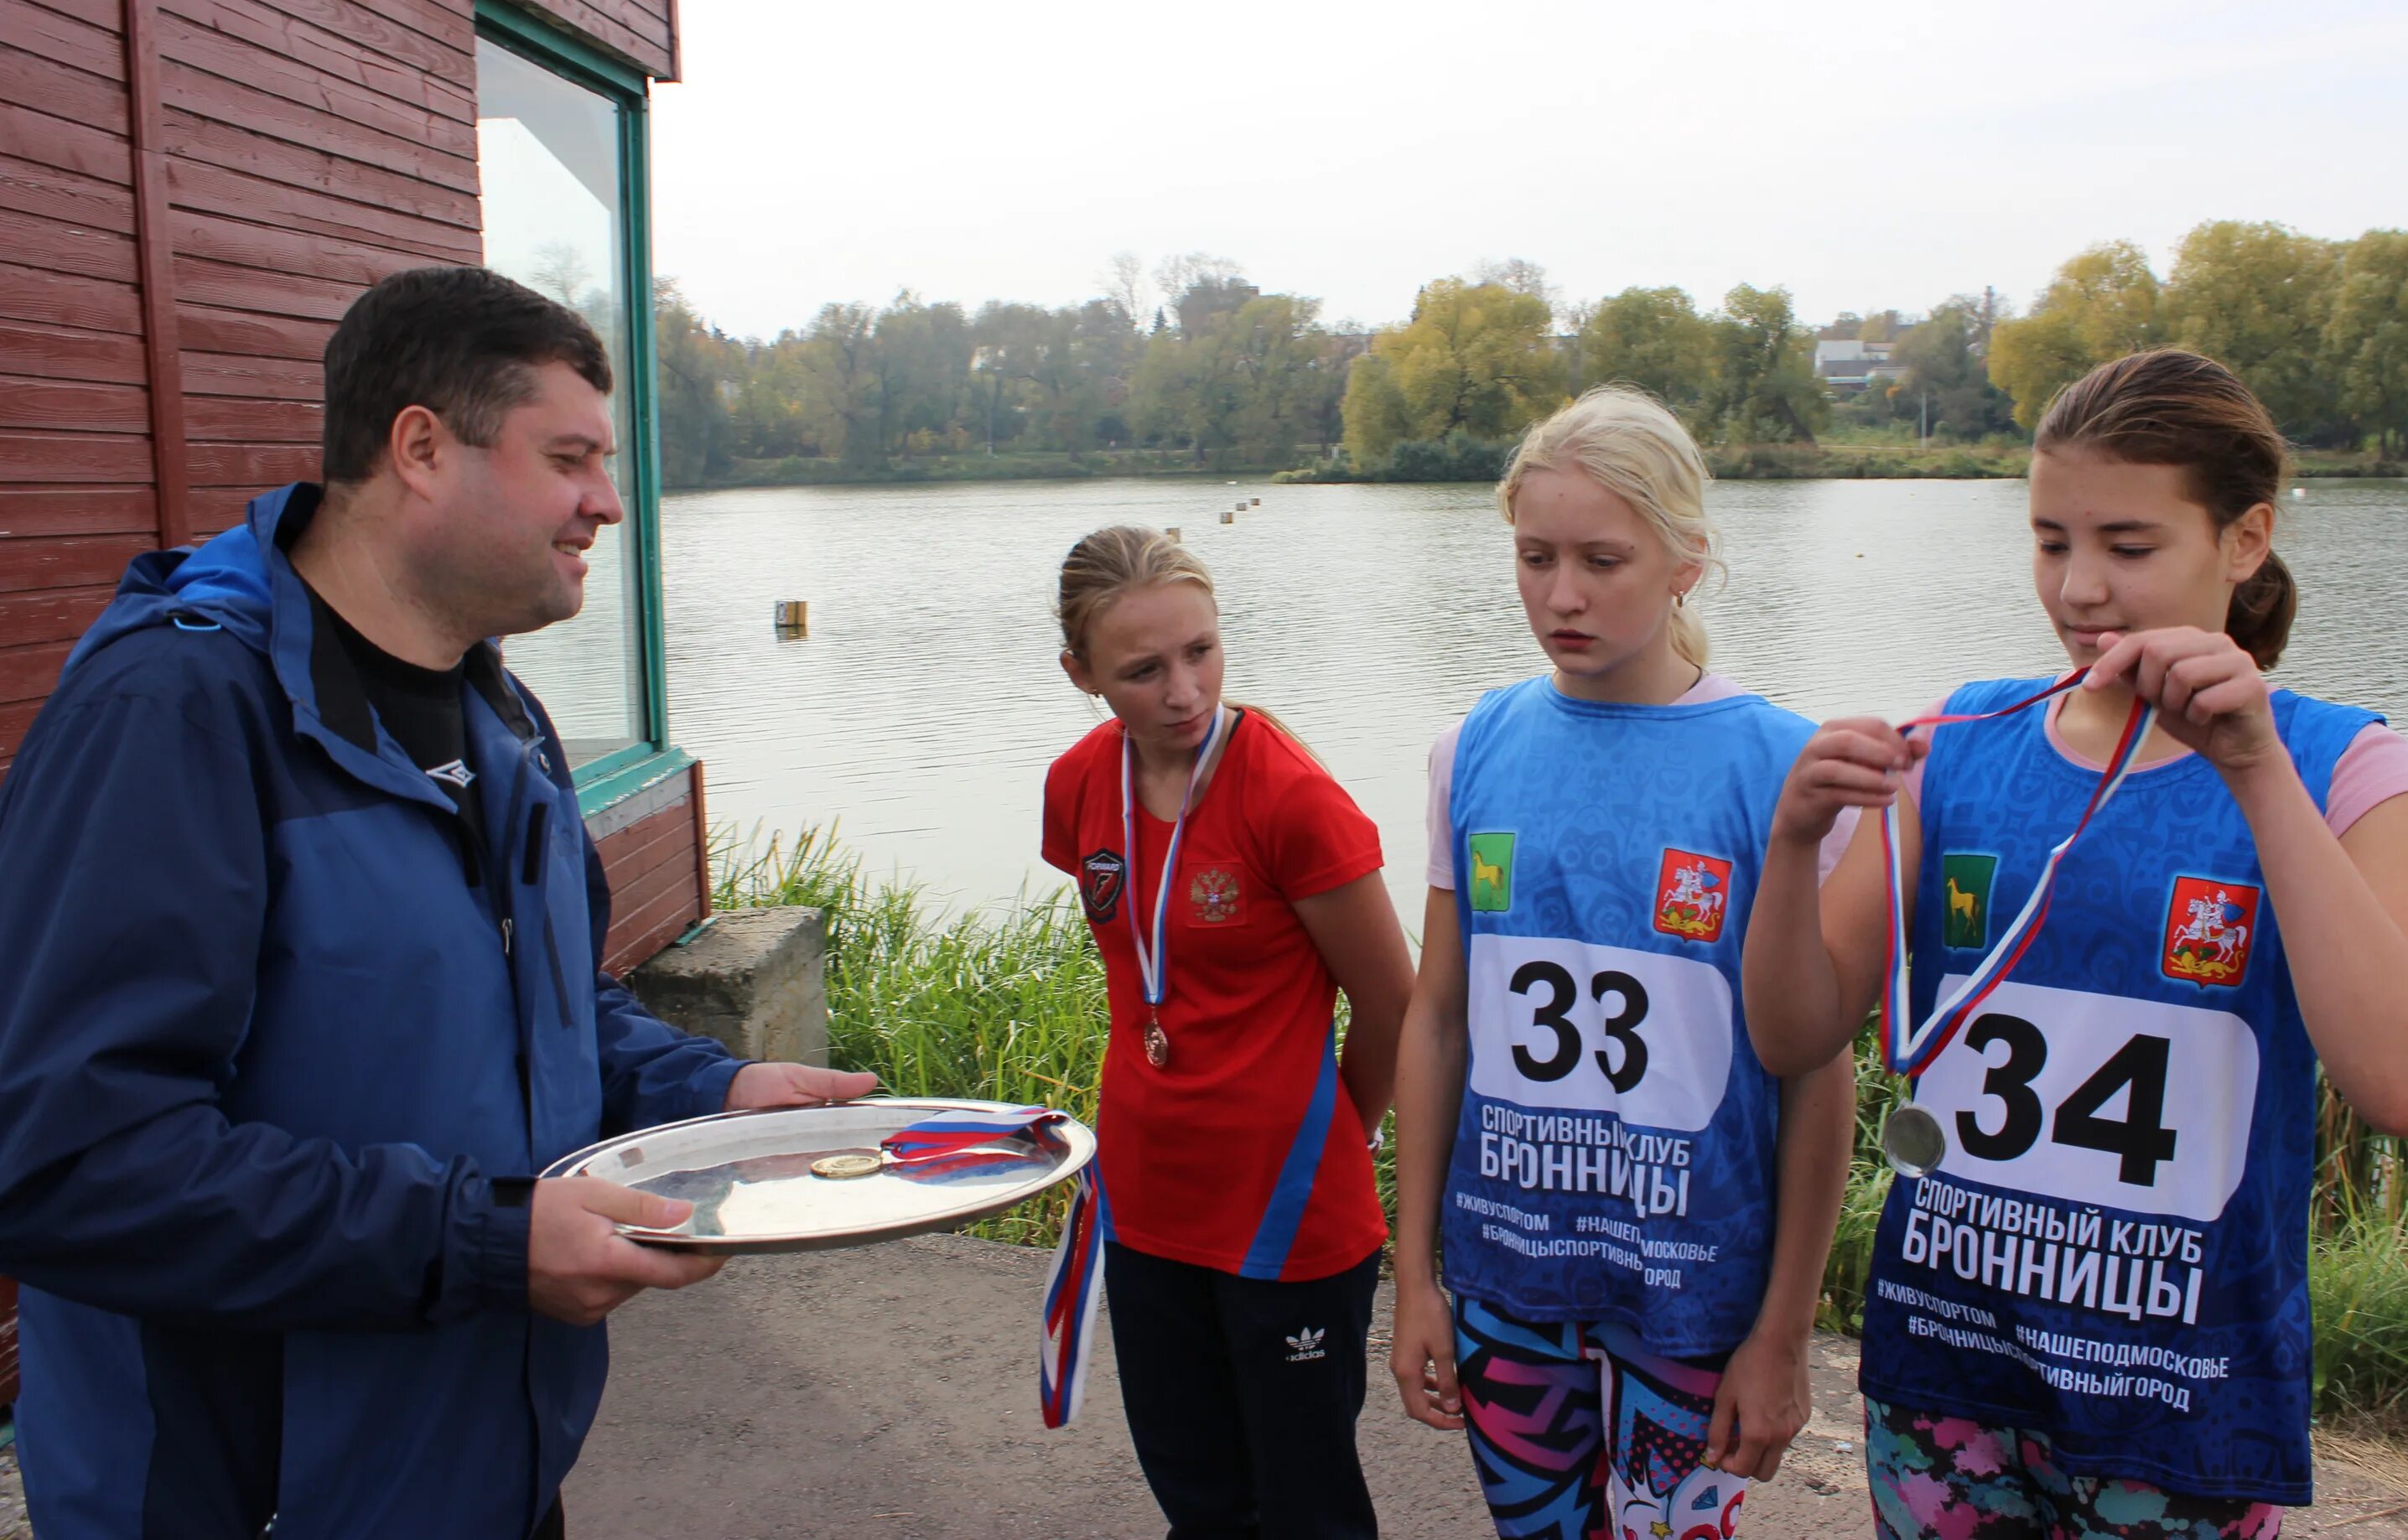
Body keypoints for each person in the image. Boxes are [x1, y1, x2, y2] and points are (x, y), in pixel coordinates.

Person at [0, 267, 875, 1540]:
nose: (608, 504)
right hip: (246, 1506)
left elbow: (553, 1011)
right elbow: (68, 1165)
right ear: (419, 447)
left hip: (493, 1478)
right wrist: (483, 1243)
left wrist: (710, 1100)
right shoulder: (175, 716)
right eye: (568, 457)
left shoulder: (502, 717)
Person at [1741, 350, 2408, 1537]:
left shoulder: (2347, 768)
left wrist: (2253, 767)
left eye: (2128, 547)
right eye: (2049, 540)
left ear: (2244, 541)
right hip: (1950, 1374)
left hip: (2179, 1408)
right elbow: (1794, 1033)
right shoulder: (1964, 739)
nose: (2079, 589)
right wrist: (1790, 843)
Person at [1389, 386, 1858, 1540]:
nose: (1563, 595)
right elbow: (1440, 1018)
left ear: (1687, 560)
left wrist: (1783, 1334)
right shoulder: (1475, 748)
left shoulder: (1778, 767)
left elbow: (1815, 1072)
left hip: (1695, 1293)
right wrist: (1413, 1277)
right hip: (1509, 1278)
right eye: (1536, 557)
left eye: (1603, 559)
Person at [1040, 525, 1414, 1539]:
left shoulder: (1292, 798)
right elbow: (1145, 960)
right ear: (1081, 673)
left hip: (1286, 1207)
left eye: (1201, 651)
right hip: (1149, 1197)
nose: (1185, 691)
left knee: (1306, 1510)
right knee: (1198, 1500)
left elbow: (1393, 1005)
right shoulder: (1079, 785)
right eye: (1143, 669)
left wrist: (1343, 1129)